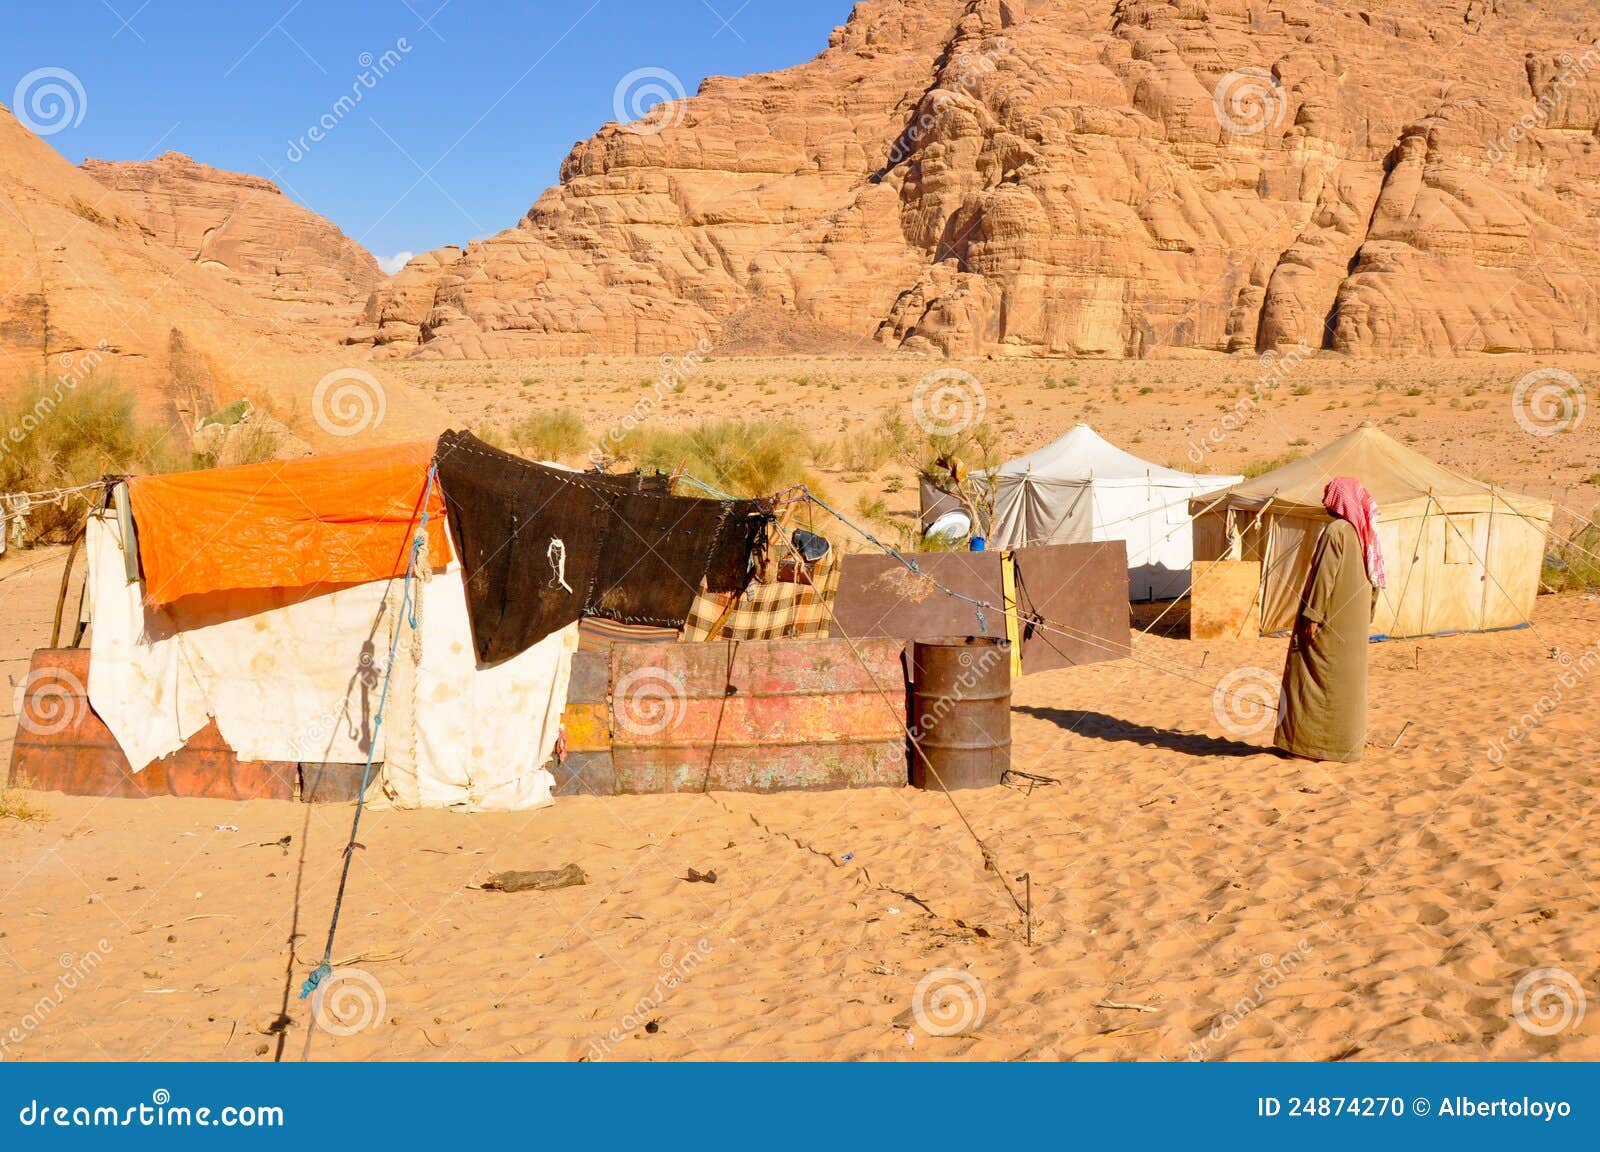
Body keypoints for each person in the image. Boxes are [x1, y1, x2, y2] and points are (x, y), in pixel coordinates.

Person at [1274, 476, 1386, 762]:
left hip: (1330, 620)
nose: (1325, 502)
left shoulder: (1337, 531)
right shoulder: (1364, 535)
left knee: (1311, 677)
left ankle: (1309, 747)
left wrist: (1312, 615)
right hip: (1353, 626)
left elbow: (1324, 576)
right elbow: (1377, 581)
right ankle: (1343, 745)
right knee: (1344, 686)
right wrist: (1366, 618)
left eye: (1329, 496)